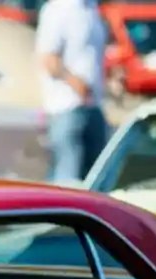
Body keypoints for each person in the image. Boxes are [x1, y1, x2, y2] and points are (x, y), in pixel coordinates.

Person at [35, 0, 109, 184]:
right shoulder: (58, 9)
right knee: (68, 177)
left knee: (96, 177)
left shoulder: (91, 9)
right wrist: (75, 82)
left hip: (95, 103)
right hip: (66, 105)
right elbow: (48, 58)